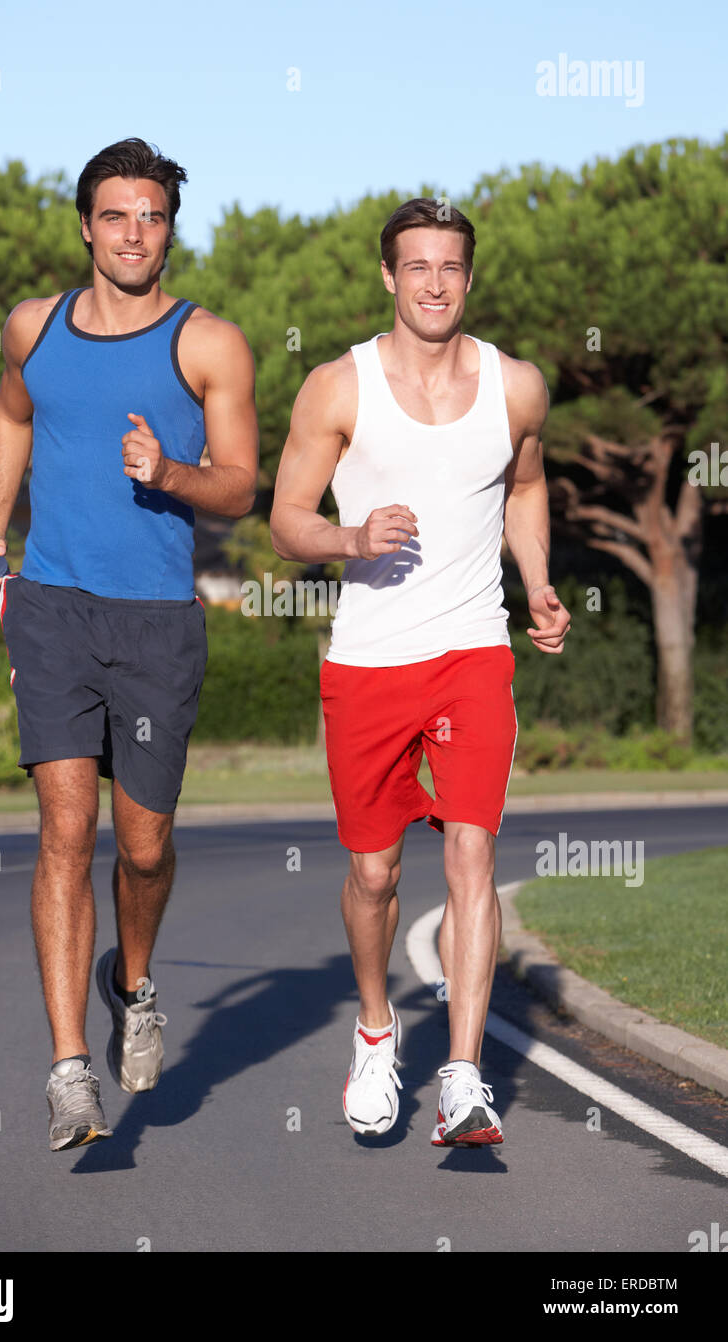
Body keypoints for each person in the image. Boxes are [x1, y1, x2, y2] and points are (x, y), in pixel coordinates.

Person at [0, 138, 258, 1151]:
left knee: (142, 847)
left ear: (169, 229)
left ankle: (131, 984)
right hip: (49, 607)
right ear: (85, 225)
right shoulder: (32, 326)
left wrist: (169, 471)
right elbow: (12, 418)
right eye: (117, 214)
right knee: (60, 831)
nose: (135, 233)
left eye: (154, 216)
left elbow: (240, 485)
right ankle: (67, 1069)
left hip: (155, 623)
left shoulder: (208, 342)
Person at [270, 197, 570, 1145]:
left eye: (451, 268)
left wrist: (539, 581)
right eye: (418, 267)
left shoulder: (515, 387)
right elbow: (284, 521)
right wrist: (352, 535)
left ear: (468, 279)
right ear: (389, 278)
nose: (435, 283)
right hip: (369, 658)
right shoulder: (336, 387)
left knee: (472, 848)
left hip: (473, 647)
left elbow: (526, 485)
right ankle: (374, 1032)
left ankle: (464, 1075)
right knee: (373, 871)